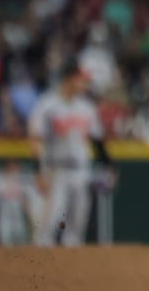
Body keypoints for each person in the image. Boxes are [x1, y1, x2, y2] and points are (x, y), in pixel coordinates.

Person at [28, 60, 115, 247]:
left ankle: (71, 274)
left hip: (80, 171)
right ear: (68, 79)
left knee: (76, 229)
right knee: (47, 227)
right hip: (55, 171)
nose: (85, 84)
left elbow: (97, 140)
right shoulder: (47, 105)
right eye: (81, 80)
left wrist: (109, 166)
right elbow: (35, 139)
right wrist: (39, 172)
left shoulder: (87, 108)